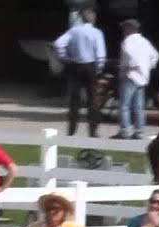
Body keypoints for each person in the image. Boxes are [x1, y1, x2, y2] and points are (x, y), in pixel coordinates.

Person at [53, 7, 106, 137]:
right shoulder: (96, 32)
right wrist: (99, 67)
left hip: (75, 66)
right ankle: (93, 130)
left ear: (82, 19)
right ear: (93, 19)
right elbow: (100, 52)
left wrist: (64, 57)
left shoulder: (74, 31)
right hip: (90, 66)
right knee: (93, 100)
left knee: (74, 100)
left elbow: (58, 43)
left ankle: (71, 130)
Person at [114, 19, 159, 140]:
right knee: (139, 106)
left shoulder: (127, 42)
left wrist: (128, 66)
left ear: (129, 28)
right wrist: (148, 66)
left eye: (124, 28)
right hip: (143, 77)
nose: (123, 30)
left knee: (124, 105)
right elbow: (155, 56)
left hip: (130, 75)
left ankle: (126, 131)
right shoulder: (144, 41)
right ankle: (139, 130)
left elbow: (130, 57)